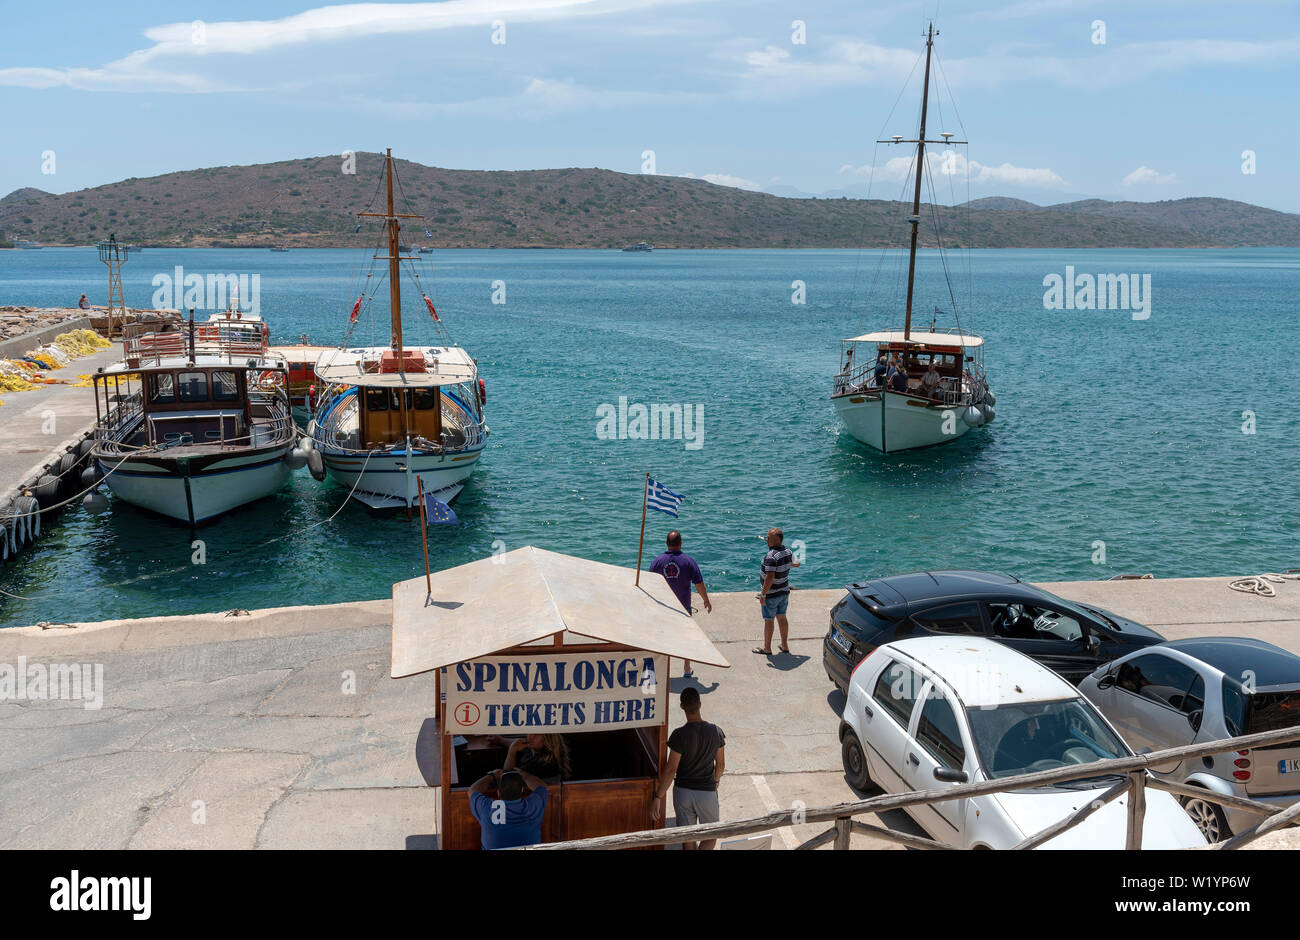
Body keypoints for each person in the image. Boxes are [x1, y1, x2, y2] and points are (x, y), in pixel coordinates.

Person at [651, 687, 726, 850]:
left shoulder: (679, 735)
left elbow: (671, 769)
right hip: (707, 793)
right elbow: (720, 764)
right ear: (700, 704)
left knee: (687, 837)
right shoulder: (716, 732)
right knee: (711, 836)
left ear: (681, 707)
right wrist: (716, 779)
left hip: (683, 793)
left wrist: (658, 797)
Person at [649, 530, 712, 678]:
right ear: (681, 543)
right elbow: (699, 583)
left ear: (666, 543)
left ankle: (661, 670)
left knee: (662, 638)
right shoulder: (689, 561)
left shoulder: (657, 562)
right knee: (686, 638)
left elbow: (649, 582)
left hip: (664, 608)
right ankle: (686, 668)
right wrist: (706, 600)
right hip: (683, 608)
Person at [469, 767, 548, 849]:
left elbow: (472, 790)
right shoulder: (533, 805)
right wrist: (522, 773)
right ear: (522, 790)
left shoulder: (487, 808)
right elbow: (542, 786)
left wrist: (492, 776)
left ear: (498, 792)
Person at [754, 527, 797, 655]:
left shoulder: (771, 556)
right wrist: (785, 565)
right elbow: (797, 563)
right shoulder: (788, 551)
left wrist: (763, 594)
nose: (766, 539)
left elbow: (769, 577)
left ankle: (767, 648)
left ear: (777, 539)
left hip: (772, 595)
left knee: (769, 620)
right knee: (782, 618)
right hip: (784, 592)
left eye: (769, 537)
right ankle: (784, 645)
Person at [490, 732, 571, 780]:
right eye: (529, 732)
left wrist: (512, 750)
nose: (530, 736)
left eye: (536, 734)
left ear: (548, 738)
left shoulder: (545, 763)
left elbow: (507, 780)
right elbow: (517, 742)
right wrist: (500, 740)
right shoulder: (535, 747)